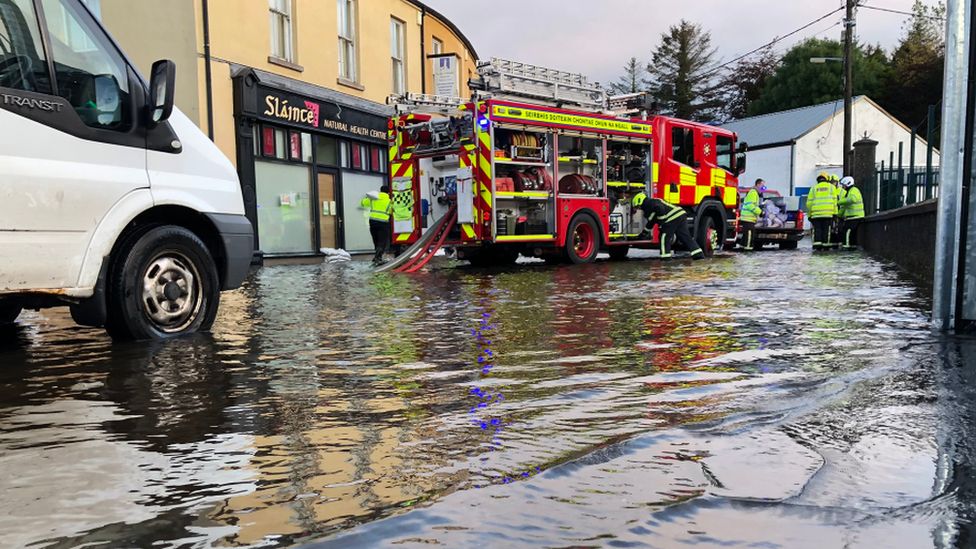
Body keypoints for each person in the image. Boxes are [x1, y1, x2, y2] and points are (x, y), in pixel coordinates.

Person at [639, 197, 705, 260]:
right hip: (680, 214)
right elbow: (651, 222)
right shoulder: (653, 203)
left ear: (641, 202)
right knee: (685, 237)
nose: (639, 209)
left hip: (672, 217)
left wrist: (662, 224)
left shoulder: (651, 203)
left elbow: (659, 208)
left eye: (638, 207)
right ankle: (698, 255)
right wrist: (643, 233)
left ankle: (665, 259)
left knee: (664, 237)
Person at [806, 173, 838, 251]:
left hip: (816, 215)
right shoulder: (831, 188)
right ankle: (825, 246)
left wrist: (809, 215)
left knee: (817, 230)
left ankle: (817, 246)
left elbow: (809, 204)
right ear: (827, 179)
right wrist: (835, 214)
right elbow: (835, 202)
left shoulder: (813, 188)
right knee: (826, 231)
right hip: (828, 214)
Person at [361, 185, 392, 265]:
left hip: (372, 221)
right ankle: (378, 258)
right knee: (382, 241)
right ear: (388, 192)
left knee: (376, 240)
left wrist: (366, 198)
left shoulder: (373, 198)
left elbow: (363, 203)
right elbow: (391, 212)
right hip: (383, 223)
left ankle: (377, 257)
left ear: (380, 191)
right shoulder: (389, 201)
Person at [837, 176, 865, 249]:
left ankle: (846, 246)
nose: (843, 187)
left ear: (848, 184)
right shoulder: (849, 192)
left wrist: (839, 202)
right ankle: (852, 246)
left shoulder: (854, 190)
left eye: (843, 185)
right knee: (852, 233)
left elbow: (852, 199)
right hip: (852, 216)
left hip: (855, 216)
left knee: (847, 231)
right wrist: (839, 215)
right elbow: (845, 206)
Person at [739, 179, 764, 251]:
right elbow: (750, 205)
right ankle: (748, 253)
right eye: (762, 186)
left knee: (746, 237)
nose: (763, 188)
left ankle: (743, 251)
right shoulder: (753, 192)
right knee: (749, 237)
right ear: (758, 185)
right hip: (748, 219)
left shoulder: (754, 193)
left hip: (749, 219)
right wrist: (760, 212)